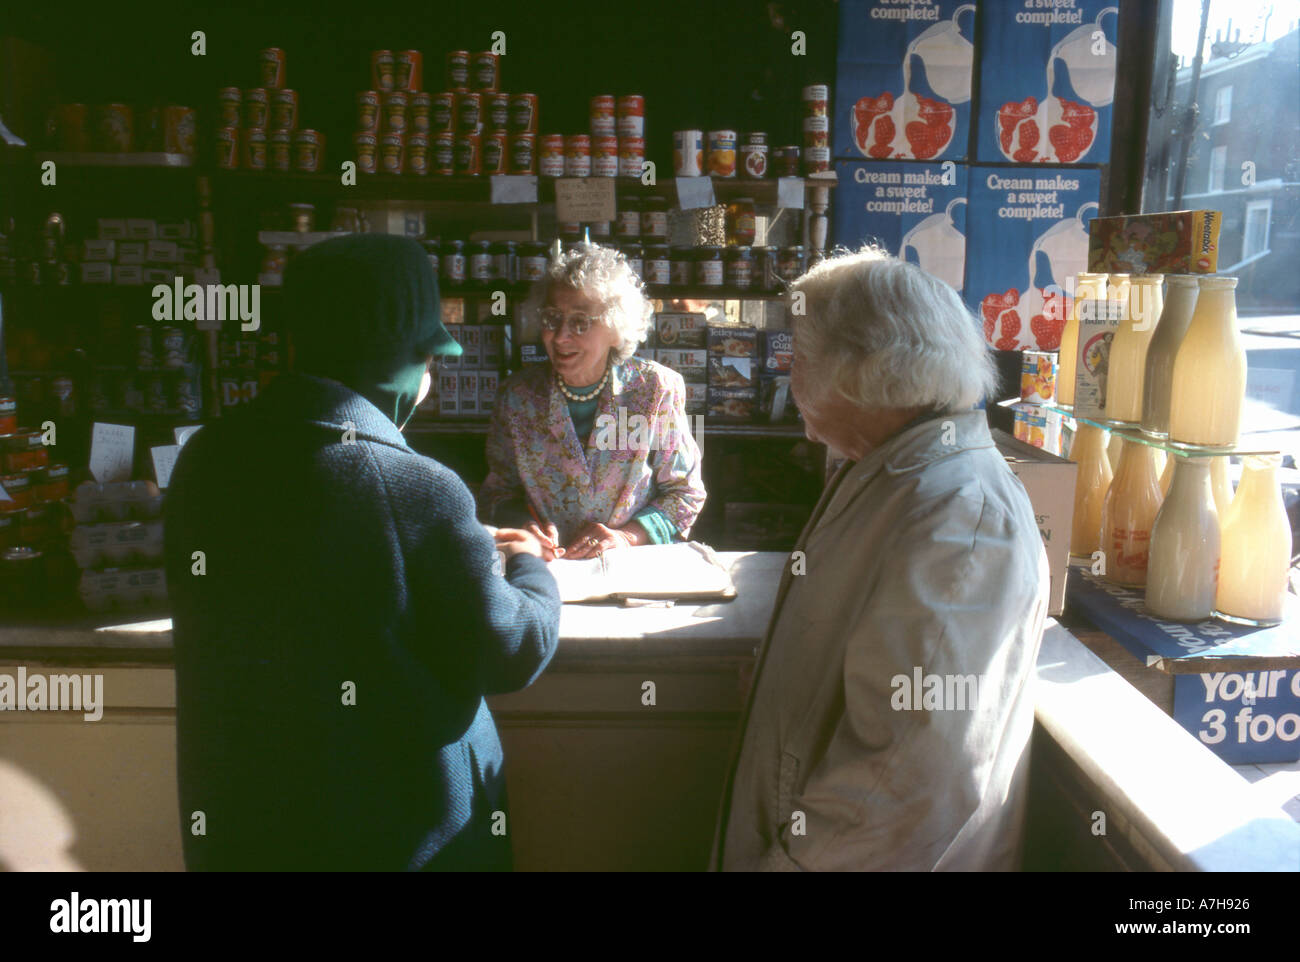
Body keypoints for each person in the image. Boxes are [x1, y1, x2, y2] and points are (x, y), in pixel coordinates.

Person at [164, 234, 560, 871]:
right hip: (397, 841)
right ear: (406, 359)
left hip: (245, 831)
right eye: (430, 359)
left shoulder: (205, 458)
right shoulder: (413, 485)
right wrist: (531, 566)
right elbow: (509, 649)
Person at [711, 247, 1050, 871]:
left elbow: (908, 776)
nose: (791, 385)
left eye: (799, 361)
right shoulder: (895, 471)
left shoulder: (957, 515)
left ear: (864, 369)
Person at [479, 245, 706, 560]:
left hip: (631, 572)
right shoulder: (517, 397)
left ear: (616, 328)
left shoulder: (655, 389)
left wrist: (626, 537)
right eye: (551, 319)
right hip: (547, 570)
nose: (560, 337)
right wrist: (526, 525)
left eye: (580, 323)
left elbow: (685, 494)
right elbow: (498, 493)